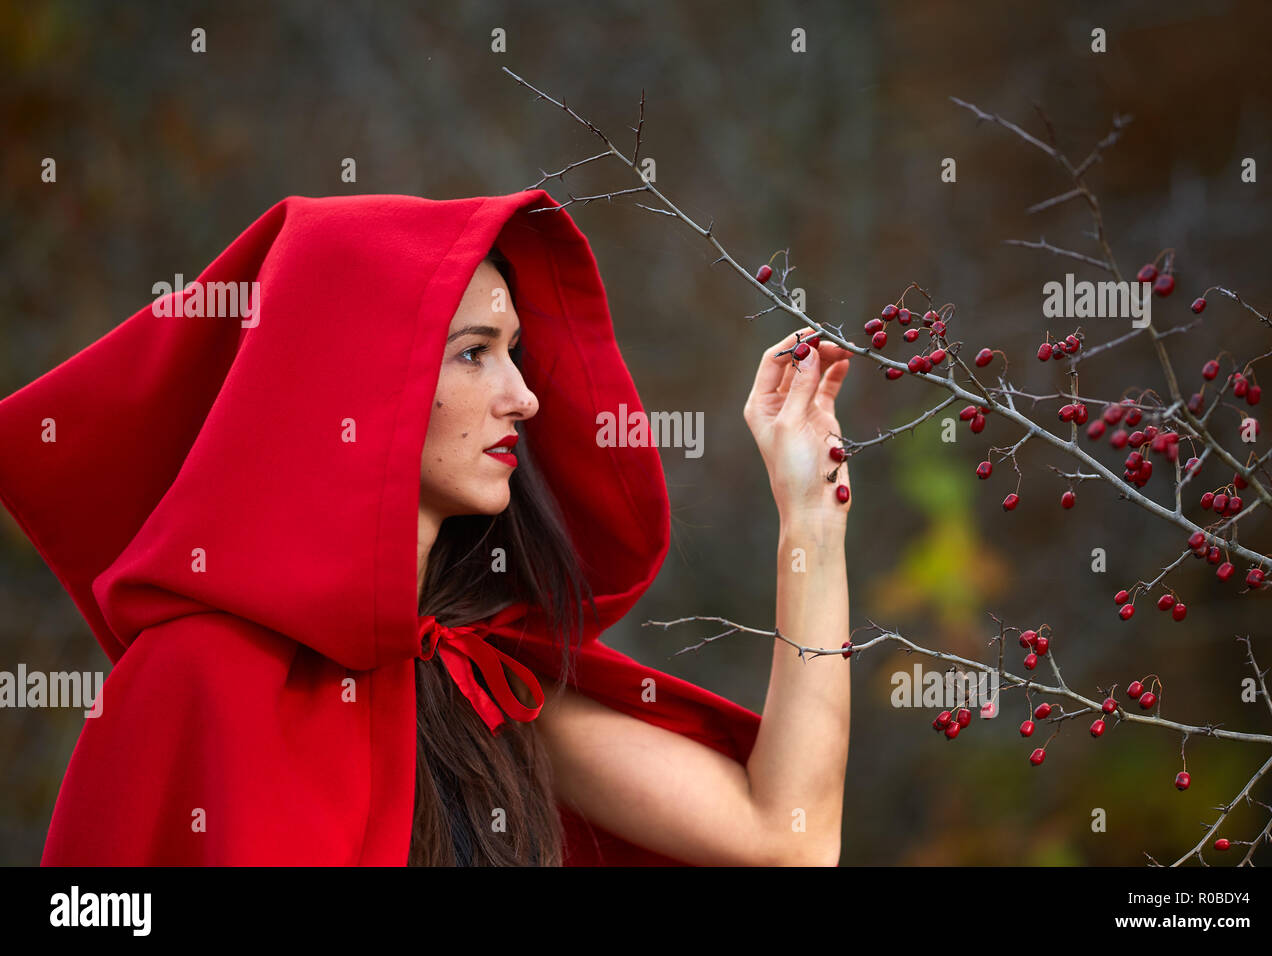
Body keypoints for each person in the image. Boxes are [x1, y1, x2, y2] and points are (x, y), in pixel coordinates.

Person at [0, 190, 851, 866]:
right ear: (358, 381)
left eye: (515, 350)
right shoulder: (194, 676)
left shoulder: (478, 682)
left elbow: (787, 835)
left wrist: (809, 510)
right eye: (475, 352)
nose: (524, 395)